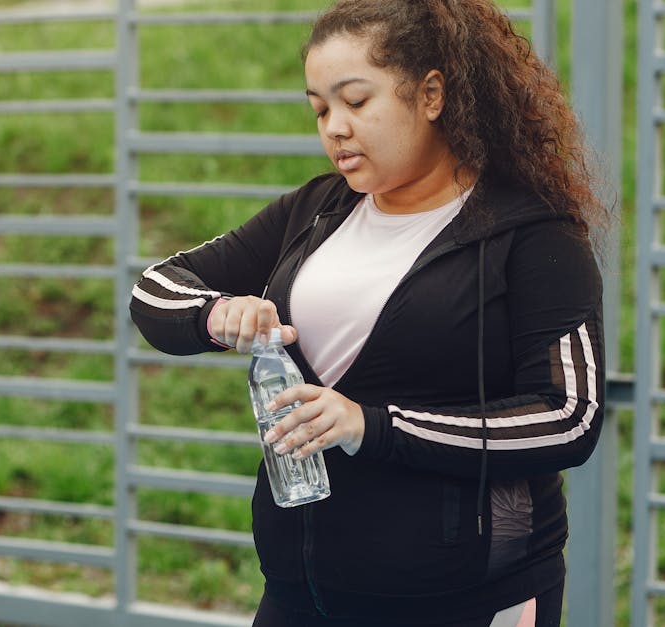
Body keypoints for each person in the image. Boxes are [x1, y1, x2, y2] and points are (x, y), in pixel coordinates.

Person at [130, 0, 609, 625]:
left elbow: (567, 418)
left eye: (356, 101)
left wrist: (371, 426)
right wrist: (216, 313)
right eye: (320, 109)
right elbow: (156, 289)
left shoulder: (531, 232)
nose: (335, 127)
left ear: (430, 93)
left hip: (469, 600)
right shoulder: (317, 211)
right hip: (303, 598)